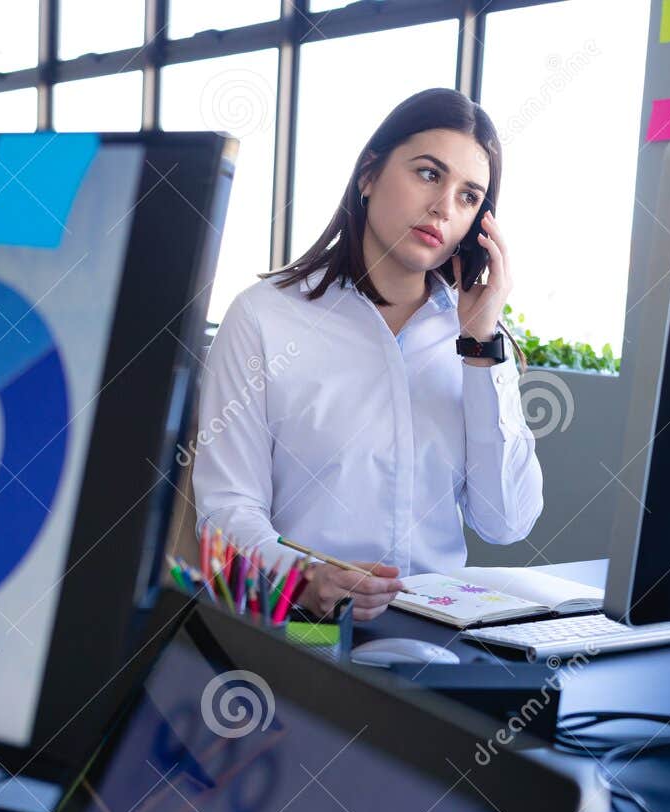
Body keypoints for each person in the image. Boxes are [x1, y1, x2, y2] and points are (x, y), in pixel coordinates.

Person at [191, 87, 543, 621]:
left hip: (439, 635)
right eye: (428, 173)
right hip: (305, 627)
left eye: (469, 196)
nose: (443, 207)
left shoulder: (477, 337)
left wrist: (479, 347)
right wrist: (304, 580)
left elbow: (506, 522)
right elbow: (224, 511)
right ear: (369, 174)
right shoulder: (263, 318)